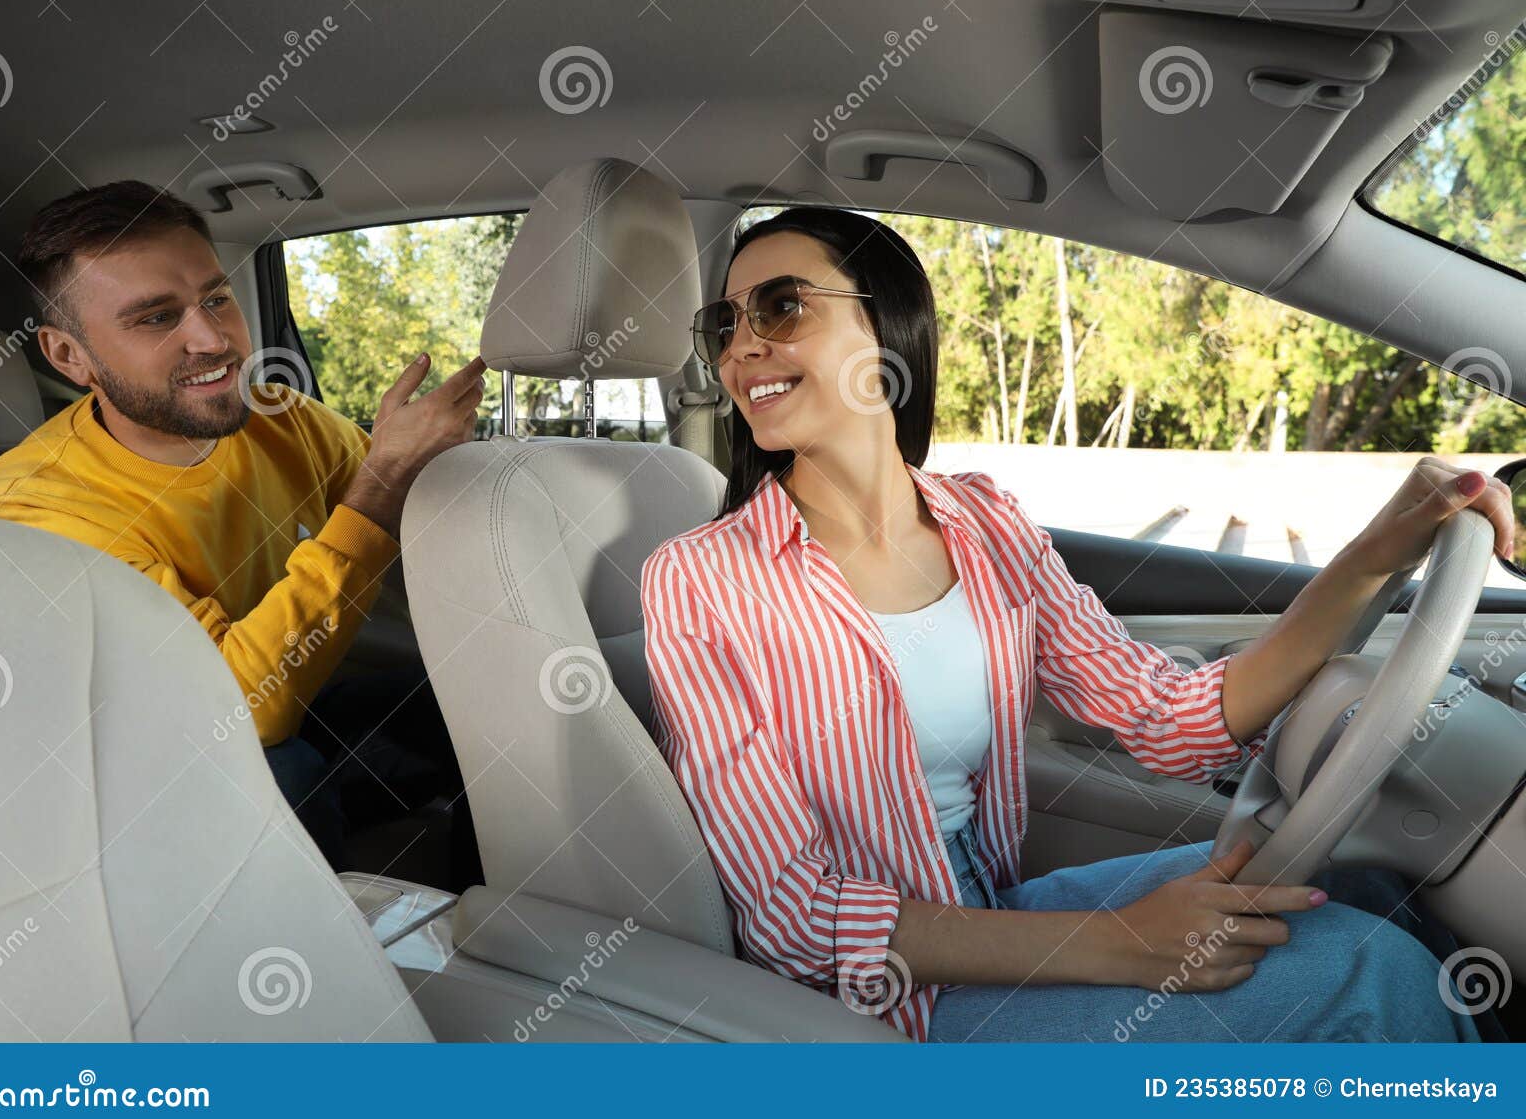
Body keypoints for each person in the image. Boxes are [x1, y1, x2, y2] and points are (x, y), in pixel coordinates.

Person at [639, 206, 1513, 1043]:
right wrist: (1123, 944)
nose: (742, 346)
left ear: (887, 322)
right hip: (870, 1010)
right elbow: (790, 914)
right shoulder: (699, 580)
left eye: (781, 306)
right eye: (725, 324)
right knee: (1368, 972)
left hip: (988, 909)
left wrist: (1375, 554)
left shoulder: (986, 522)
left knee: (1358, 880)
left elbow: (1169, 717)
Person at [0, 180, 481, 883]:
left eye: (215, 298)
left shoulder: (281, 418)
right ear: (68, 356)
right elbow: (238, 709)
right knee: (274, 767)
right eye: (155, 318)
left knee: (482, 693)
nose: (213, 340)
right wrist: (379, 486)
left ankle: (520, 923)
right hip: (127, 777)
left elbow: (420, 521)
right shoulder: (35, 512)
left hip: (283, 710)